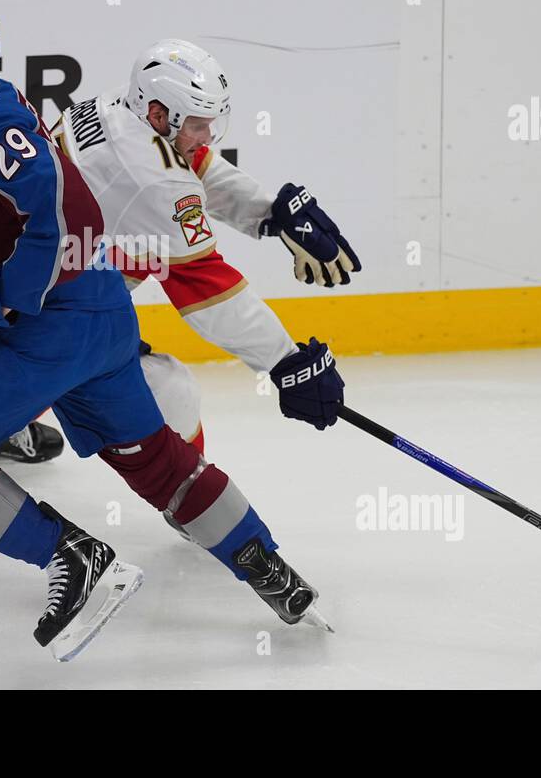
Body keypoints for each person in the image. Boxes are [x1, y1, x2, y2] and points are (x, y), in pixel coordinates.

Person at [0, 2, 339, 660]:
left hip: (46, 326)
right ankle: (268, 568)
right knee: (153, 459)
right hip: (97, 315)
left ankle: (72, 556)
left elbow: (74, 220)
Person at [52, 39, 361, 537]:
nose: (207, 134)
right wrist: (286, 363)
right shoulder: (151, 180)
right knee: (171, 388)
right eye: (198, 123)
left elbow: (190, 164)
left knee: (137, 254)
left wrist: (269, 213)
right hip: (40, 305)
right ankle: (189, 502)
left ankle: (9, 410)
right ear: (159, 113)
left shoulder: (120, 106)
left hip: (29, 270)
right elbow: (206, 290)